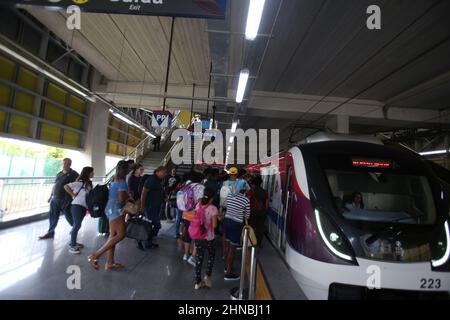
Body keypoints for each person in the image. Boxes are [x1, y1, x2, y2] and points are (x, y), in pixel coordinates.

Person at [88, 161, 129, 271]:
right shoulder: (122, 182)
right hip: (116, 210)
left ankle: (109, 262)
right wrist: (128, 199)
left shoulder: (114, 179)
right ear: (125, 169)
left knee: (113, 235)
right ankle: (96, 255)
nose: (130, 169)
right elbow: (121, 199)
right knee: (121, 235)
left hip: (109, 208)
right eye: (129, 168)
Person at [39, 158, 78, 240]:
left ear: (70, 164)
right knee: (53, 216)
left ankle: (75, 229)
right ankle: (50, 232)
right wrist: (51, 196)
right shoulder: (59, 174)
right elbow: (55, 185)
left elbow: (77, 185)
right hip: (55, 198)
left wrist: (74, 195)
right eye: (63, 163)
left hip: (66, 200)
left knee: (69, 216)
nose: (64, 165)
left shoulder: (74, 174)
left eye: (67, 164)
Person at [190, 188, 218, 290]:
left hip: (198, 236)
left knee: (199, 259)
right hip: (209, 237)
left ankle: (197, 282)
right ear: (211, 199)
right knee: (211, 257)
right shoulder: (213, 208)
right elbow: (214, 225)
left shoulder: (198, 205)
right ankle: (207, 277)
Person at [64, 167, 94, 254]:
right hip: (77, 206)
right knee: (77, 225)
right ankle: (72, 245)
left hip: (83, 206)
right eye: (92, 172)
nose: (93, 174)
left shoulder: (88, 184)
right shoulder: (80, 183)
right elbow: (66, 186)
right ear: (88, 173)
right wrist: (72, 194)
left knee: (77, 225)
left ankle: (73, 242)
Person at [222, 189, 250, 281]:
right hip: (236, 224)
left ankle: (226, 266)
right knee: (232, 248)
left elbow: (224, 206)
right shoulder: (246, 200)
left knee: (226, 244)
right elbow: (247, 215)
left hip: (226, 221)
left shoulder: (230, 196)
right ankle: (228, 273)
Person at [140, 166, 168, 247]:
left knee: (151, 225)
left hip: (156, 207)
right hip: (149, 207)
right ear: (158, 172)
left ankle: (148, 241)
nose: (165, 174)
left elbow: (160, 190)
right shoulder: (151, 180)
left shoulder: (159, 180)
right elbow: (144, 193)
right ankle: (146, 240)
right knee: (156, 225)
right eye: (164, 172)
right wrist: (142, 206)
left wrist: (164, 197)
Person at [248, 175, 269, 248]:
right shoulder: (265, 192)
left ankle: (251, 242)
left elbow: (247, 201)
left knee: (252, 227)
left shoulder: (251, 191)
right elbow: (266, 205)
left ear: (254, 184)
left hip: (252, 212)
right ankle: (259, 243)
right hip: (262, 212)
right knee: (260, 228)